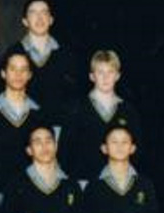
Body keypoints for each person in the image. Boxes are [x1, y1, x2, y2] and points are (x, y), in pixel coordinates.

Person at [60, 50, 145, 182]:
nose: (105, 77)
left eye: (110, 72)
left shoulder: (128, 111)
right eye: (100, 72)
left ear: (117, 76)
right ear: (92, 76)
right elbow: (65, 151)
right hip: (84, 183)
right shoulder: (76, 109)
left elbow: (137, 151)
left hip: (118, 183)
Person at [81, 126, 159, 213]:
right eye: (114, 142)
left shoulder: (145, 185)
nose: (120, 146)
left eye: (124, 142)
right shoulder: (94, 186)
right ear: (104, 148)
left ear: (132, 148)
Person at [0, 50, 49, 190]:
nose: (18, 75)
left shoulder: (39, 114)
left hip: (30, 191)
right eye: (13, 69)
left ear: (30, 75)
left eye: (23, 69)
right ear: (3, 73)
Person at [5, 0, 80, 112]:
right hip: (24, 126)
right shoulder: (13, 53)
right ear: (25, 21)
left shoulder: (67, 54)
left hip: (58, 127)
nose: (39, 18)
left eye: (44, 12)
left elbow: (75, 96)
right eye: (33, 13)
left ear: (51, 20)